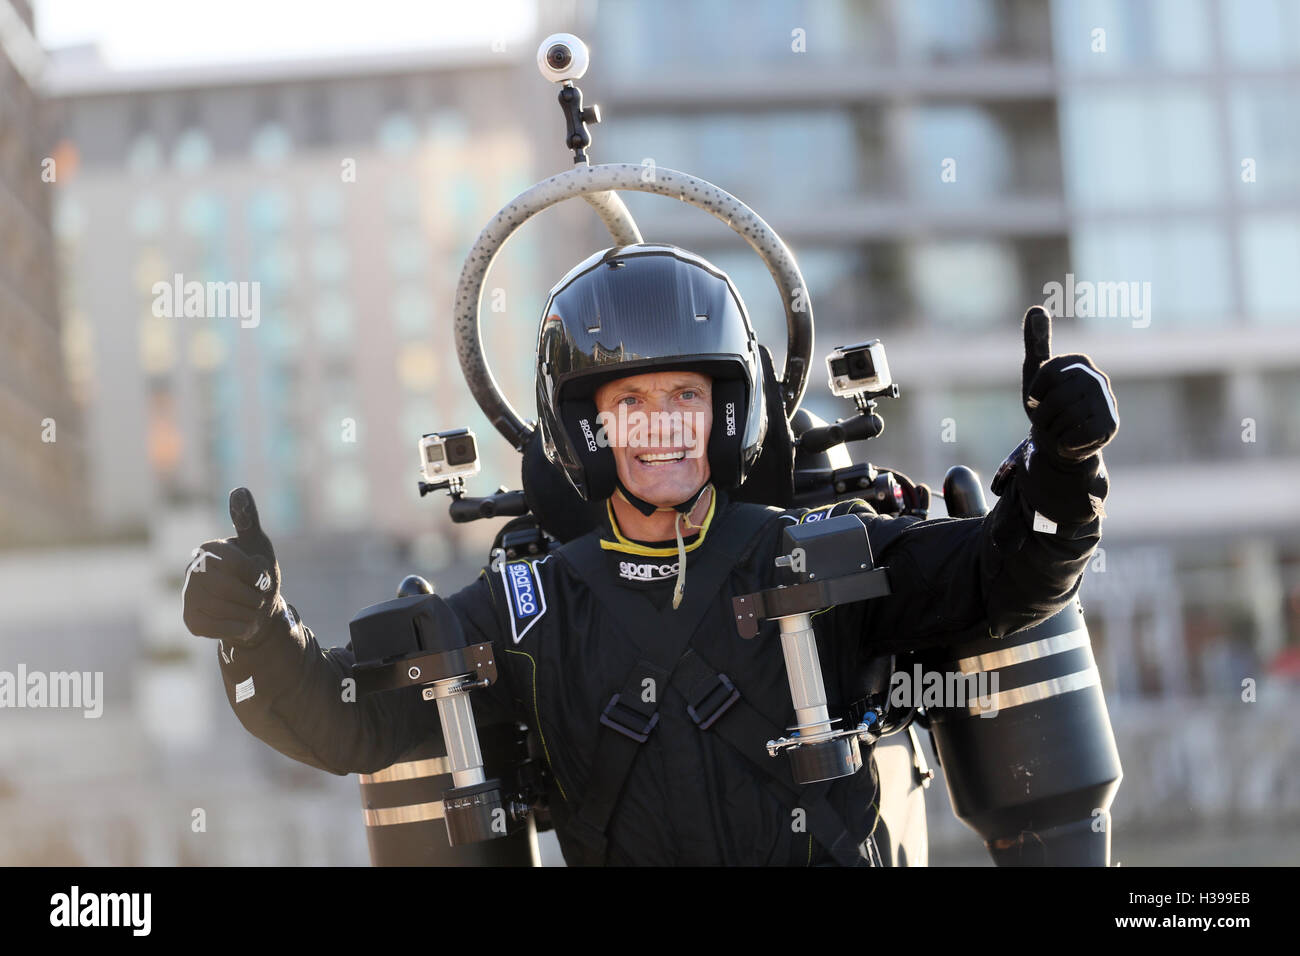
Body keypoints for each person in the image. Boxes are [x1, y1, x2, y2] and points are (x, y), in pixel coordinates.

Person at [182, 244, 1119, 866]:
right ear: (584, 428)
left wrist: (1065, 469)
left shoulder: (823, 561)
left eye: (686, 394)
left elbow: (1011, 577)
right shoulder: (521, 614)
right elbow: (344, 724)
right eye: (630, 403)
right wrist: (256, 629)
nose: (663, 425)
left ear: (727, 411)